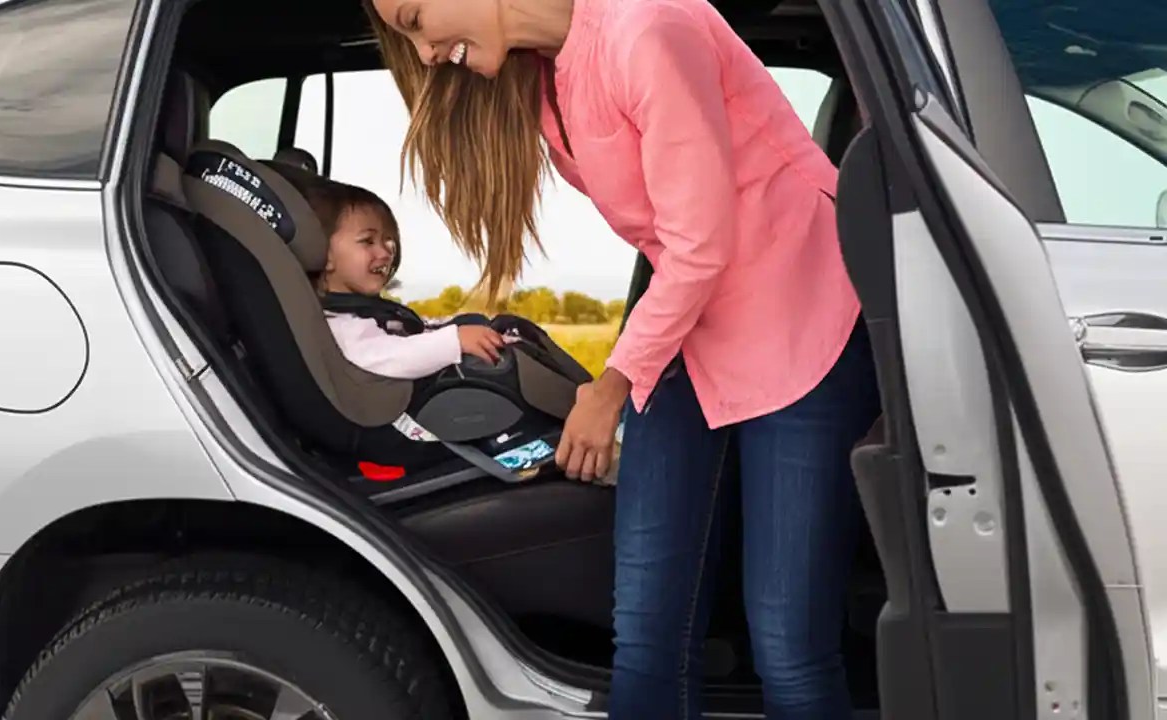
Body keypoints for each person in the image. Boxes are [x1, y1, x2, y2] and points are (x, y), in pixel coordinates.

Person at [361, 0, 881, 718]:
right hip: (691, 332)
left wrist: (608, 388)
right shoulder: (542, 81)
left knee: (788, 647)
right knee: (645, 636)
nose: (422, 53)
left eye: (415, 18)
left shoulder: (648, 30)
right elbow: (675, 249)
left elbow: (697, 245)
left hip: (803, 318)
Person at [301, 178, 509, 378]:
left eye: (388, 242)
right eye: (368, 241)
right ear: (324, 253)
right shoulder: (339, 327)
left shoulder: (364, 313)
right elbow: (390, 356)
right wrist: (454, 341)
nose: (385, 253)